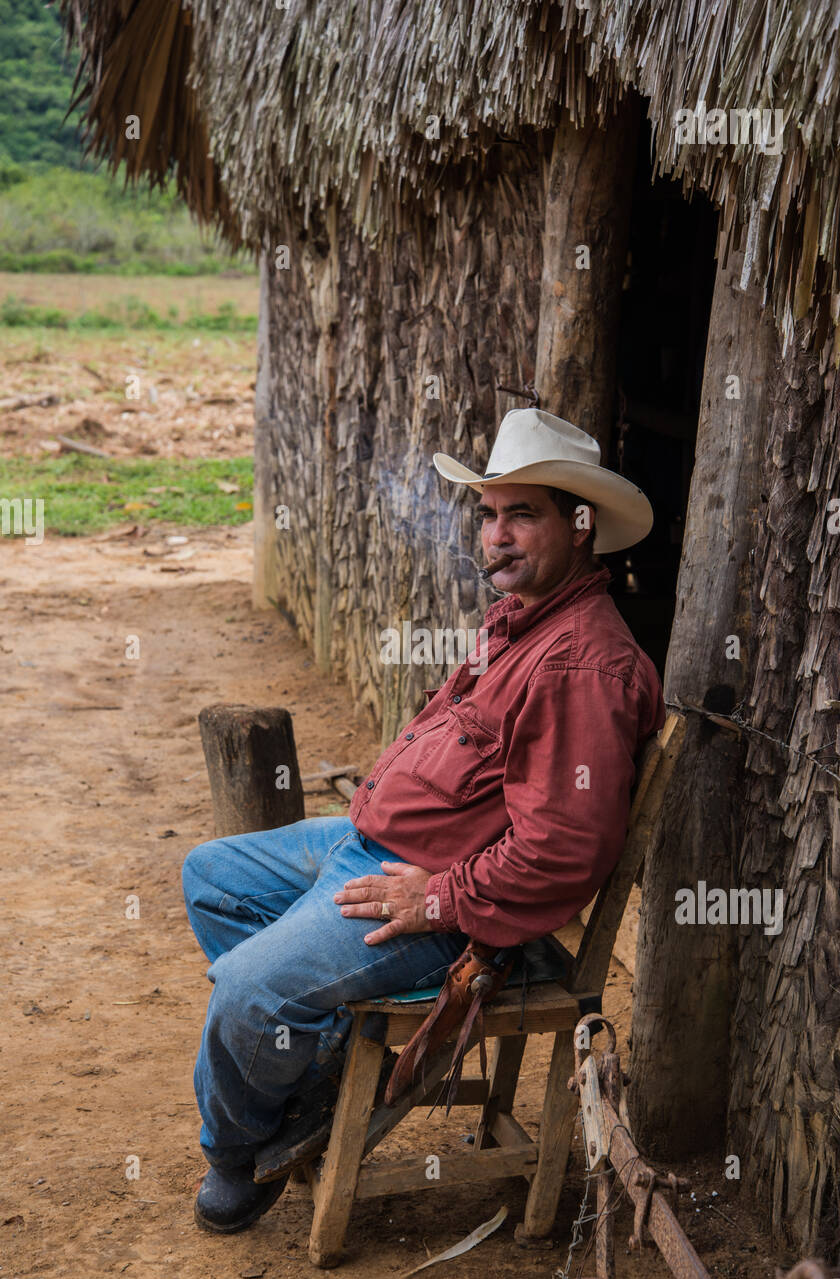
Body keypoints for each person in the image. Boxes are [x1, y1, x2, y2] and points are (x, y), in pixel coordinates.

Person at [184, 408, 665, 1233]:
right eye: (488, 515)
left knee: (249, 993)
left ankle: (242, 1150)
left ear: (580, 527)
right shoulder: (517, 622)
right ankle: (312, 1067)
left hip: (437, 898)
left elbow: (563, 851)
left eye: (524, 515)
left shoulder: (580, 664)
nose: (497, 537)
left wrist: (435, 900)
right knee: (211, 876)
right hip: (365, 843)